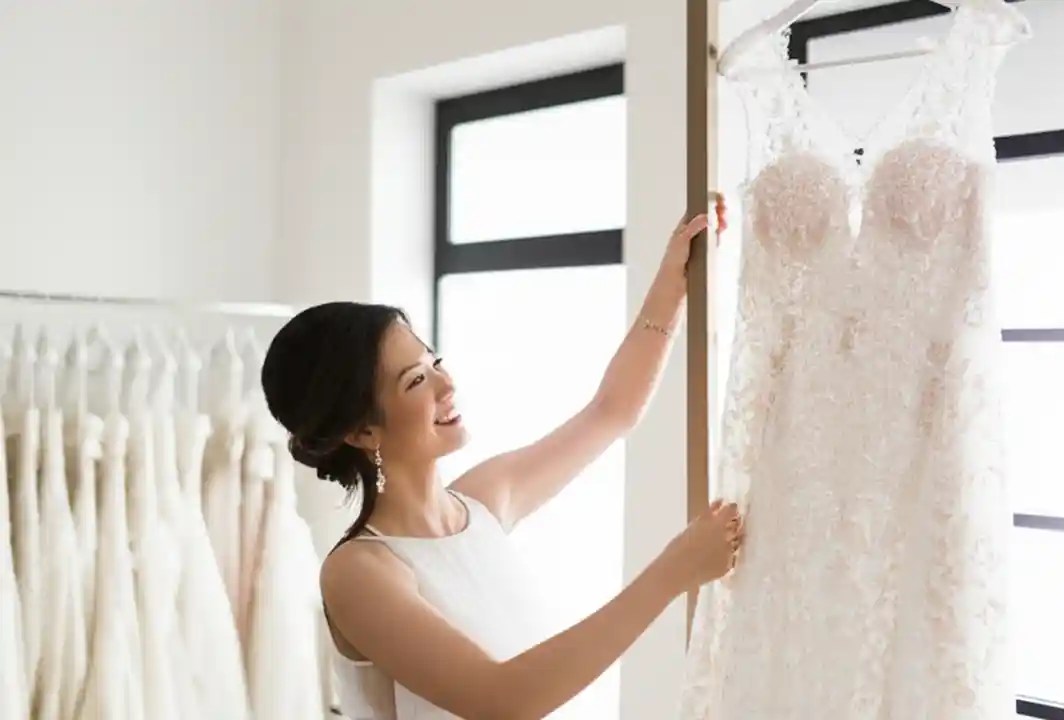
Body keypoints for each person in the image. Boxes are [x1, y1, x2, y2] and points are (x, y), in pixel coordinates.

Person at [261, 203, 743, 720]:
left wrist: (675, 280)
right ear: (362, 430)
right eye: (417, 381)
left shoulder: (483, 502)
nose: (447, 385)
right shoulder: (358, 572)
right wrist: (672, 573)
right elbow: (501, 699)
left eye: (434, 362)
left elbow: (612, 411)